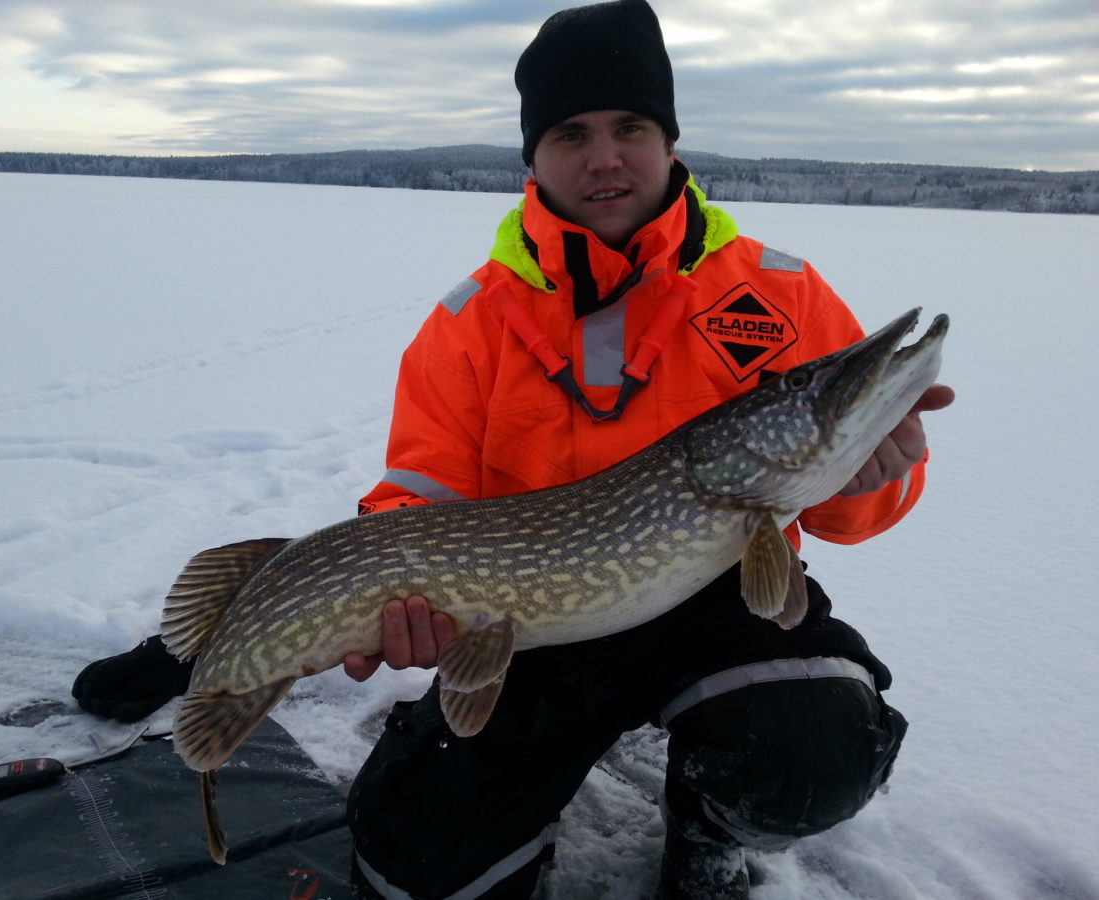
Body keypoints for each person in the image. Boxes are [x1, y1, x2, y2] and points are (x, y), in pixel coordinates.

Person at [73, 2, 954, 897]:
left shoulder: (781, 293)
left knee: (812, 753)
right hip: (527, 632)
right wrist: (358, 616)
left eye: (630, 127)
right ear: (533, 157)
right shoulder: (469, 325)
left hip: (719, 600)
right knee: (413, 866)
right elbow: (413, 506)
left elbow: (847, 514)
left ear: (671, 142)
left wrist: (871, 469)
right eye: (571, 133)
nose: (604, 156)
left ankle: (710, 821)